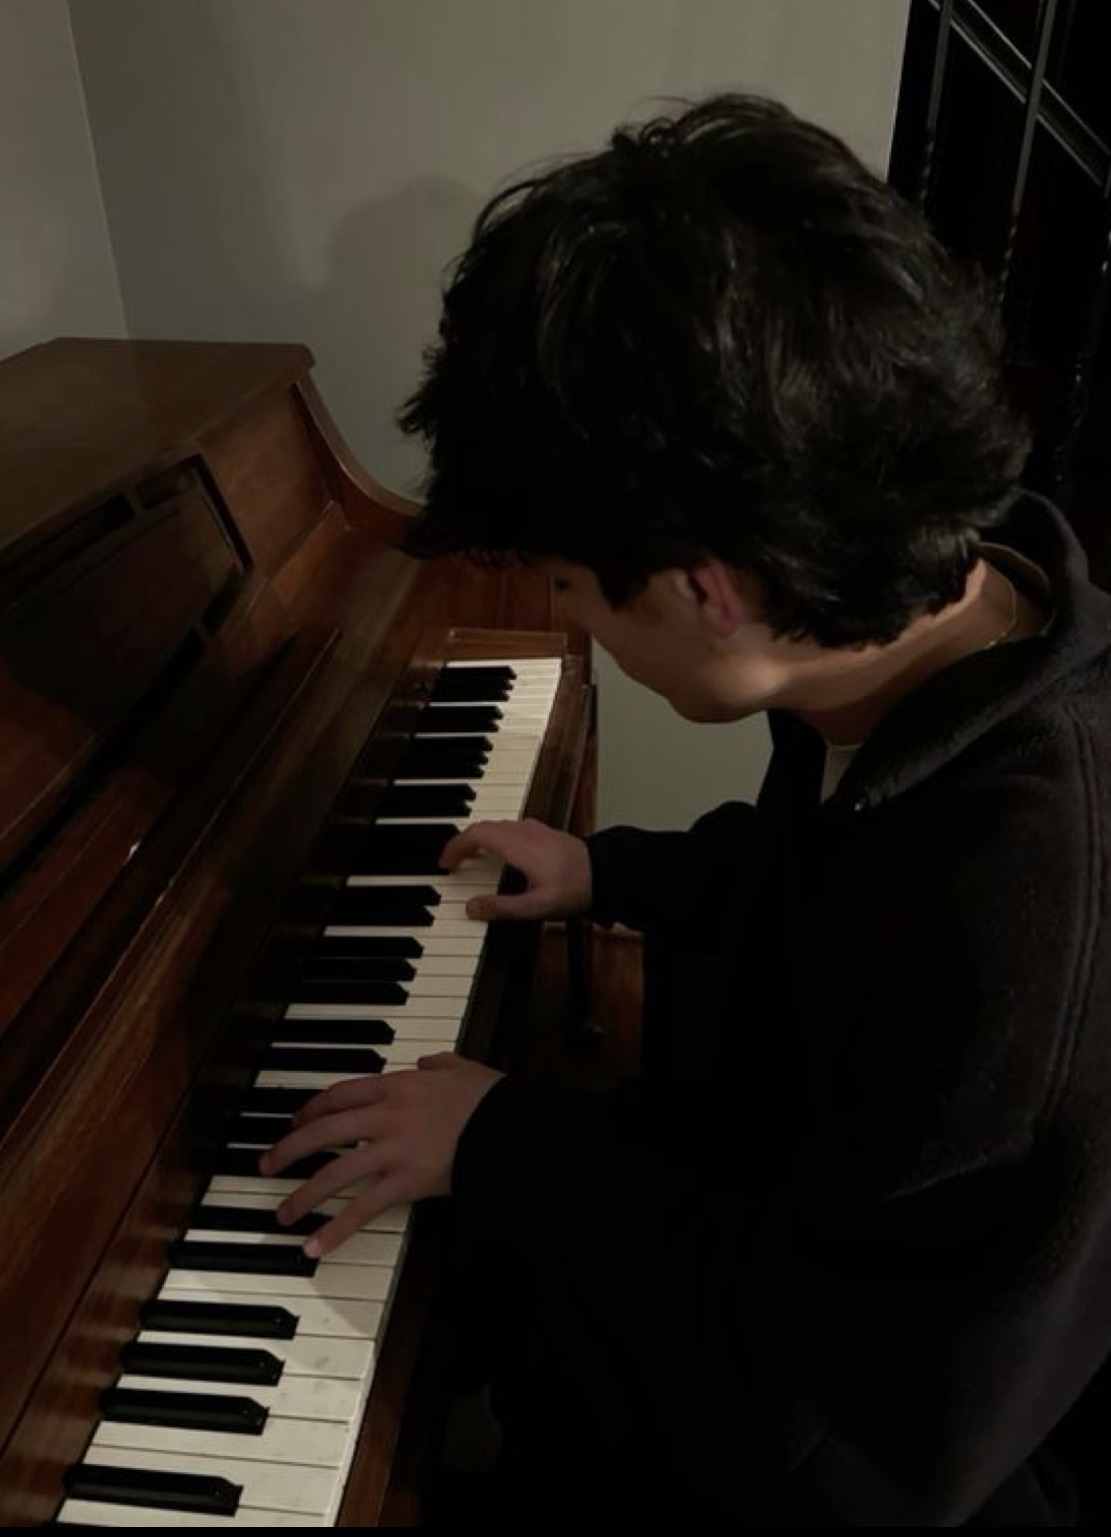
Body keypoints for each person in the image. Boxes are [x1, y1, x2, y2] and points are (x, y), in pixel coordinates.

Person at [260, 95, 1111, 1525]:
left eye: (571, 588)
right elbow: (821, 869)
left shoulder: (1020, 928)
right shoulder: (930, 632)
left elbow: (831, 1436)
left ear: (703, 589)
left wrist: (508, 1142)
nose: (568, 614)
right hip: (771, 1239)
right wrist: (614, 871)